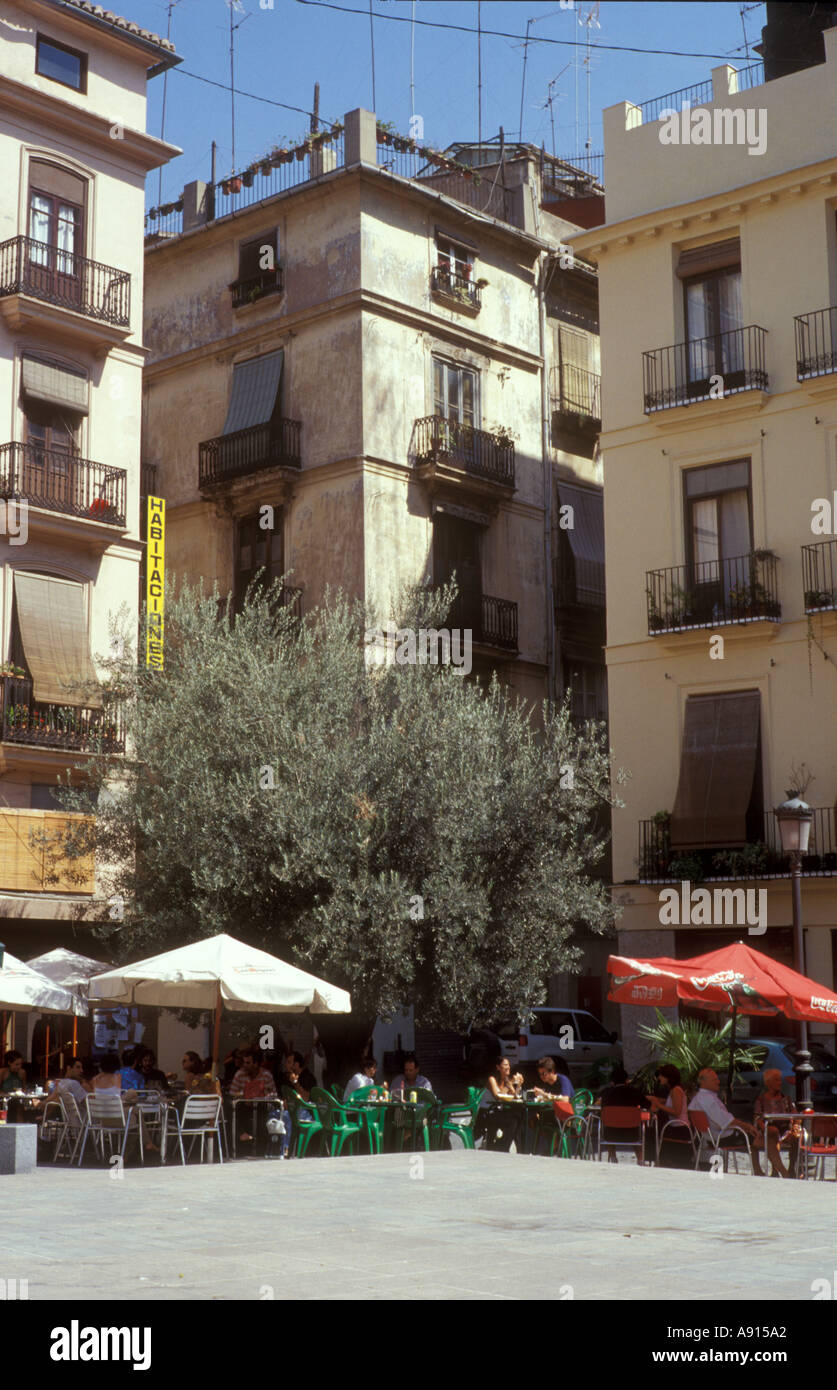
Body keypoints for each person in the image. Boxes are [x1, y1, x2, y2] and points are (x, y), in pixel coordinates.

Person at [689, 1068, 761, 1168]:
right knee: (765, 1138)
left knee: (764, 1135)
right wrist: (746, 1126)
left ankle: (761, 1170)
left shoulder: (697, 1098)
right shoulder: (708, 1099)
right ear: (703, 1082)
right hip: (722, 1137)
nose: (718, 1082)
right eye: (714, 1080)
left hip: (709, 1137)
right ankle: (778, 1171)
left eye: (717, 1079)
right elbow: (726, 1121)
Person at [753, 1068, 801, 1179]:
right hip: (768, 1131)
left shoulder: (786, 1099)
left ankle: (792, 1168)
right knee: (773, 1131)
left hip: (785, 1130)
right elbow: (757, 1117)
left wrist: (795, 1125)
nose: (780, 1082)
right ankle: (778, 1170)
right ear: (768, 1083)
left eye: (780, 1080)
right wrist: (763, 1127)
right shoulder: (761, 1100)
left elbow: (795, 1114)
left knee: (796, 1137)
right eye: (776, 1080)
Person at [228, 1046, 277, 1149]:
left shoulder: (266, 1075)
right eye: (244, 1063)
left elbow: (274, 1095)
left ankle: (261, 1146)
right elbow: (232, 1093)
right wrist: (243, 1094)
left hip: (261, 1108)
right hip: (244, 1107)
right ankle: (241, 1134)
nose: (245, 1066)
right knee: (230, 1109)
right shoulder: (240, 1074)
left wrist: (262, 1095)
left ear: (256, 1063)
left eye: (248, 1063)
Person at [477, 1055, 524, 1151]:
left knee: (518, 1118)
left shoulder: (506, 1080)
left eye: (509, 1065)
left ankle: (507, 1147)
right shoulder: (492, 1079)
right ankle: (502, 1147)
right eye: (505, 1065)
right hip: (487, 1113)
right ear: (498, 1067)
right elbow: (497, 1096)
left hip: (497, 1112)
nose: (508, 1067)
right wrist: (510, 1083)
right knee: (513, 1121)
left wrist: (519, 1084)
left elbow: (515, 1095)